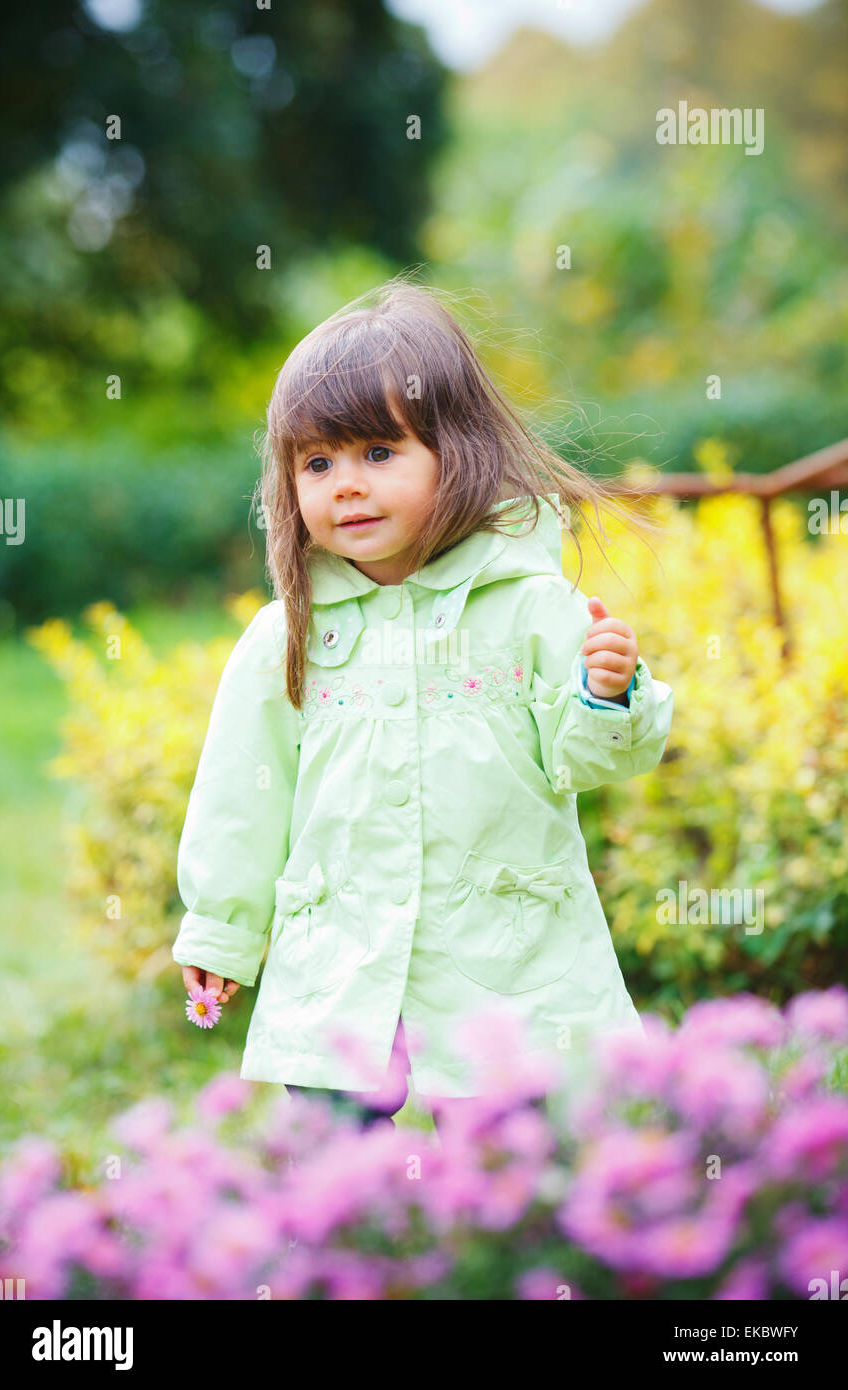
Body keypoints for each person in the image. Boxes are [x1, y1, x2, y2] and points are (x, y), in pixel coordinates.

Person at [171, 276, 675, 1137]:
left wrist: (605, 692)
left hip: (503, 949)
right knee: (334, 1145)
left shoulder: (530, 607)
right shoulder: (288, 634)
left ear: (458, 450)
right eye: (317, 463)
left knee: (506, 1150)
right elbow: (240, 795)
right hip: (340, 945)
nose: (347, 487)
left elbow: (587, 759)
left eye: (378, 453)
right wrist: (221, 931)